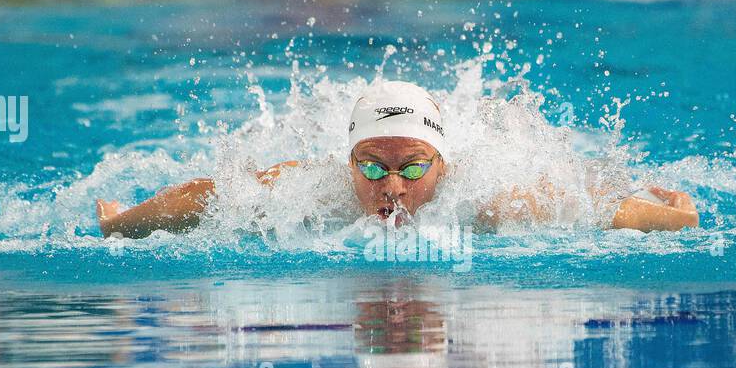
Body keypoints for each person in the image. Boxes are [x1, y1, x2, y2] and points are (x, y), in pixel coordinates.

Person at [95, 80, 699, 238]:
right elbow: (206, 197)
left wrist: (678, 215)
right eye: (371, 167)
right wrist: (120, 223)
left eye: (412, 168)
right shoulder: (310, 193)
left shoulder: (495, 202)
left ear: (442, 166)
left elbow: (599, 210)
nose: (391, 188)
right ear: (348, 162)